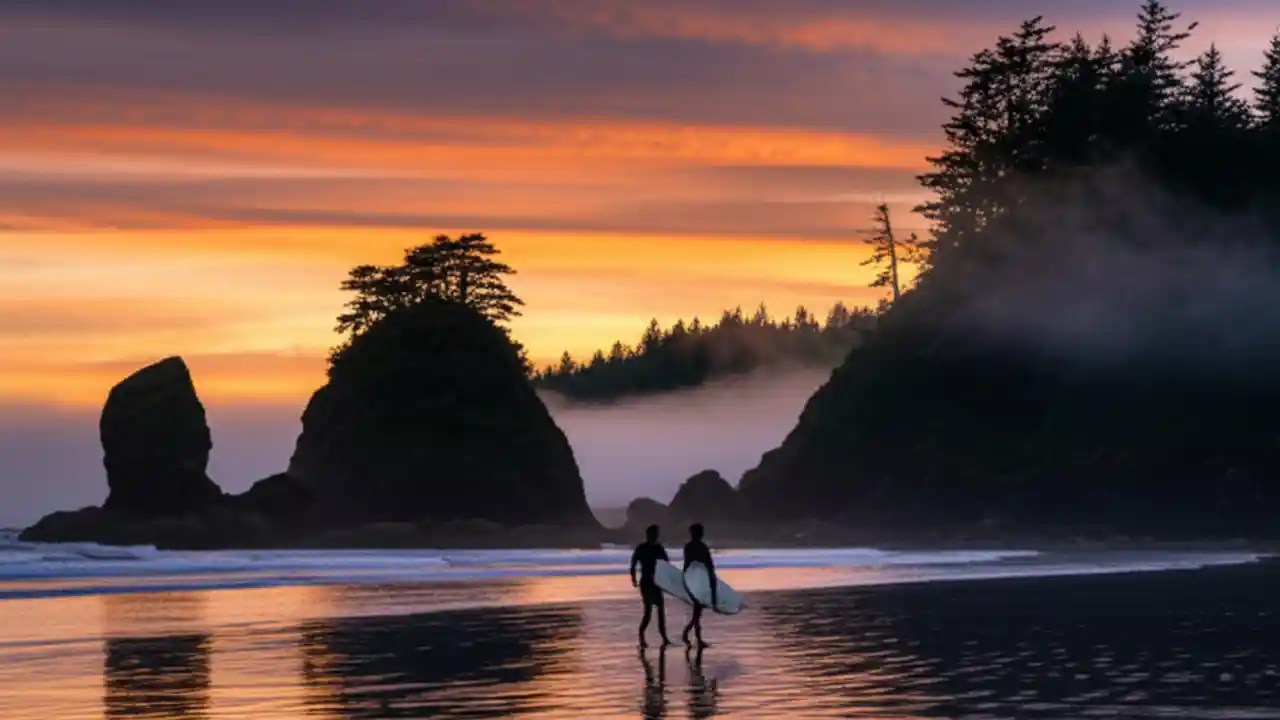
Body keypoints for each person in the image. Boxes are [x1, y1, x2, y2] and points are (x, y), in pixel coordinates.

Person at [630, 524, 672, 647]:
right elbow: (633, 564)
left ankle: (664, 637)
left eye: (656, 535)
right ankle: (641, 636)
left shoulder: (659, 548)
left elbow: (666, 565)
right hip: (647, 583)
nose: (654, 537)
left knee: (660, 611)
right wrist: (633, 579)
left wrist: (668, 581)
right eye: (653, 534)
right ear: (648, 535)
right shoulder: (641, 548)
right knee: (648, 613)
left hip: (657, 583)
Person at [681, 523, 716, 648]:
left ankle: (694, 636)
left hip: (695, 579)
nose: (700, 534)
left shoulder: (689, 547)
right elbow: (709, 565)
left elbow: (687, 565)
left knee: (697, 611)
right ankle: (690, 635)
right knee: (697, 611)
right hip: (698, 580)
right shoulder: (701, 547)